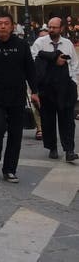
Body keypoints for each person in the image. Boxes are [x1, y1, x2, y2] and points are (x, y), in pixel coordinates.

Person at [0, 13, 39, 182]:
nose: (3, 26)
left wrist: (34, 91)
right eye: (0, 23)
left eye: (6, 23)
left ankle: (10, 169)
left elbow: (30, 69)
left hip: (17, 95)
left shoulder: (21, 45)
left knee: (15, 133)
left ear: (12, 27)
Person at [30, 16, 79, 163]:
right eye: (49, 27)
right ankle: (52, 147)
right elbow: (33, 60)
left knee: (68, 120)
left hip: (65, 87)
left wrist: (73, 81)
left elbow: (74, 64)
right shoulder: (40, 43)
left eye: (54, 27)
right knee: (48, 120)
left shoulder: (67, 44)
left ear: (61, 28)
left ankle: (69, 150)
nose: (51, 30)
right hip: (46, 88)